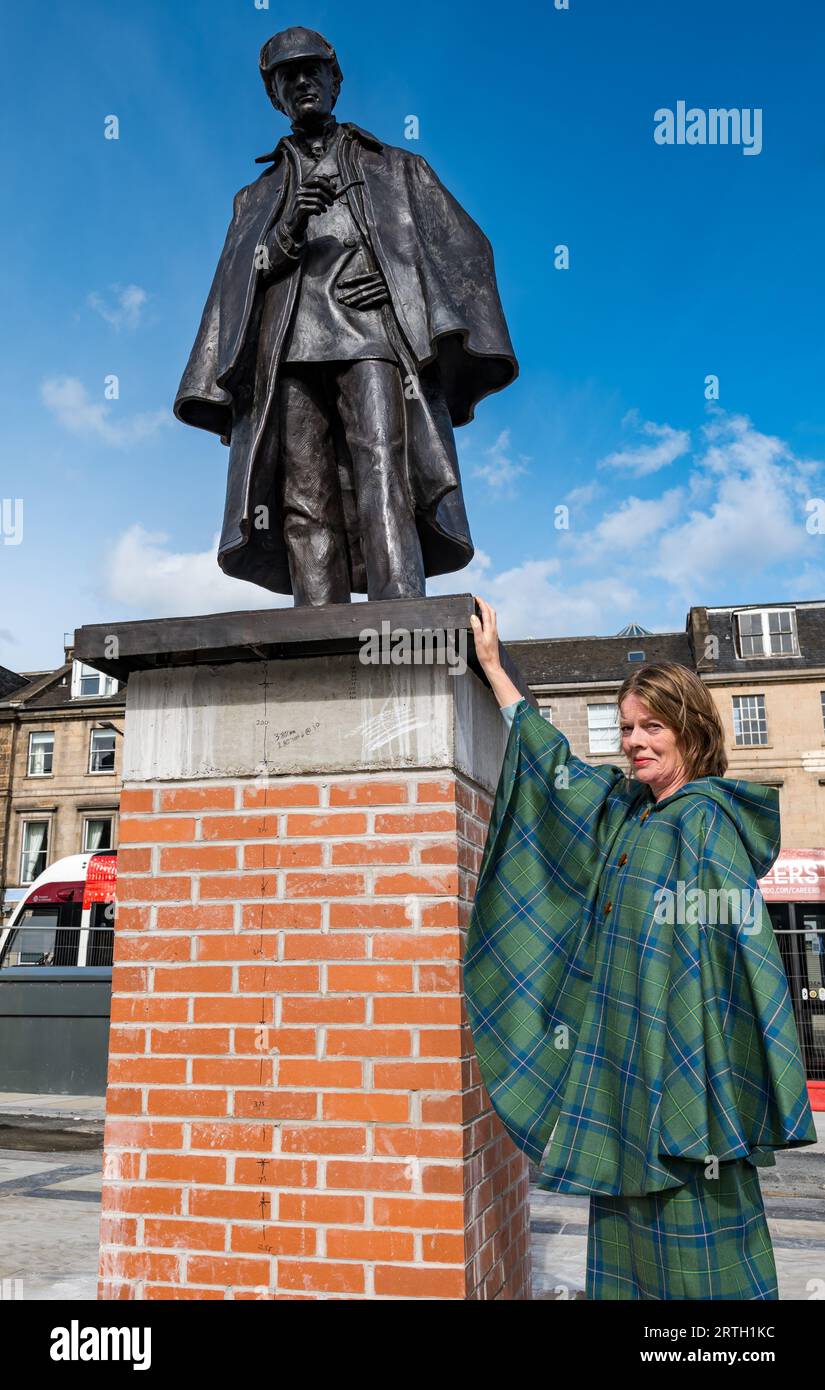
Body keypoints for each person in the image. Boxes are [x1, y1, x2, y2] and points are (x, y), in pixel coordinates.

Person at [467, 597, 817, 1300]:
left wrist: (699, 1078)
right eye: (626, 728)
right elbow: (555, 768)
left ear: (688, 730)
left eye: (650, 726)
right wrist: (495, 670)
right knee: (628, 1261)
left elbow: (731, 968)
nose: (633, 742)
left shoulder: (706, 822)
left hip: (691, 1088)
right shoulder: (629, 814)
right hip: (625, 1077)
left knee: (699, 1271)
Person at [173, 28, 517, 606]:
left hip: (372, 340)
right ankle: (318, 621)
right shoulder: (254, 198)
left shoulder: (398, 168)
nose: (302, 81)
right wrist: (285, 232)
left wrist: (401, 285)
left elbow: (467, 253)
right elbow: (237, 285)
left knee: (385, 468)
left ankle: (400, 611)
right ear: (274, 96)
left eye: (313, 71)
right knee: (302, 493)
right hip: (285, 353)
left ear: (337, 81)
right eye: (288, 76)